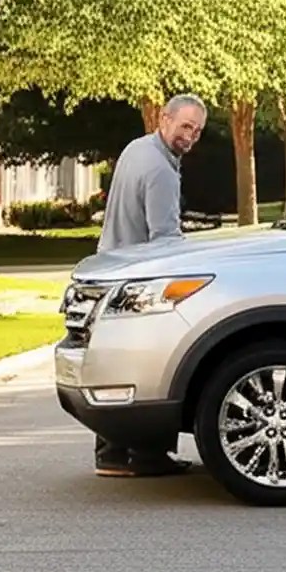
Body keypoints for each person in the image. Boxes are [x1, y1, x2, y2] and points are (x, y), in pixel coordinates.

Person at [92, 93, 207, 477]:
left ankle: (110, 454)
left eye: (197, 131)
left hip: (114, 263)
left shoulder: (136, 149)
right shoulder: (160, 169)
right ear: (164, 118)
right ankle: (147, 456)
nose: (189, 137)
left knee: (120, 363)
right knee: (154, 362)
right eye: (185, 126)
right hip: (140, 277)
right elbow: (164, 238)